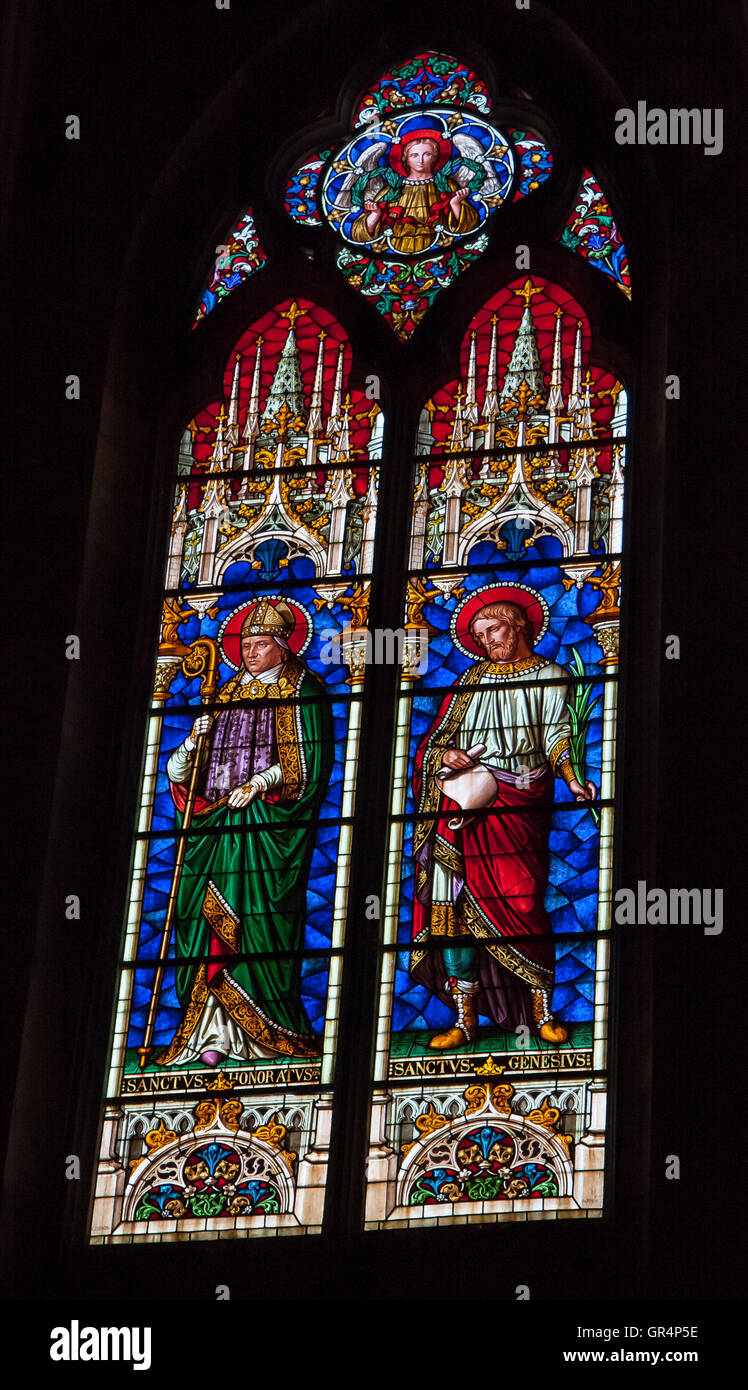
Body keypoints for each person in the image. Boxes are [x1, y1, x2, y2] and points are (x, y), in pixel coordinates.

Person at [411, 591, 596, 1050]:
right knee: (451, 911)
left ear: (517, 626)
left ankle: (542, 1010)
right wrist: (445, 754)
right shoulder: (471, 679)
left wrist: (572, 779)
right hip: (461, 801)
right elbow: (435, 742)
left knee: (523, 902)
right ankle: (465, 1020)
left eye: (492, 630)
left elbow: (557, 737)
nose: (485, 640)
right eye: (477, 635)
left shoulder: (551, 676)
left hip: (519, 801)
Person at [156, 598, 333, 1068]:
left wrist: (258, 785)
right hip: (213, 827)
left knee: (260, 924)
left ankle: (269, 1032)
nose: (250, 653)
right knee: (203, 929)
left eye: (259, 645)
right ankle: (205, 1034)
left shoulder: (305, 693)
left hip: (267, 829)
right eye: (245, 645)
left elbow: (309, 769)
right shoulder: (224, 693)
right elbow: (180, 774)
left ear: (282, 647)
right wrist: (194, 740)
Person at [350, 132, 480, 255]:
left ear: (435, 157)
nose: (421, 160)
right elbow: (359, 235)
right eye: (414, 155)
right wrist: (375, 214)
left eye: (427, 154)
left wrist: (455, 204)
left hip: (439, 244)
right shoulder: (390, 190)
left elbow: (469, 225)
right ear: (405, 159)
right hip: (396, 246)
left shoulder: (448, 186)